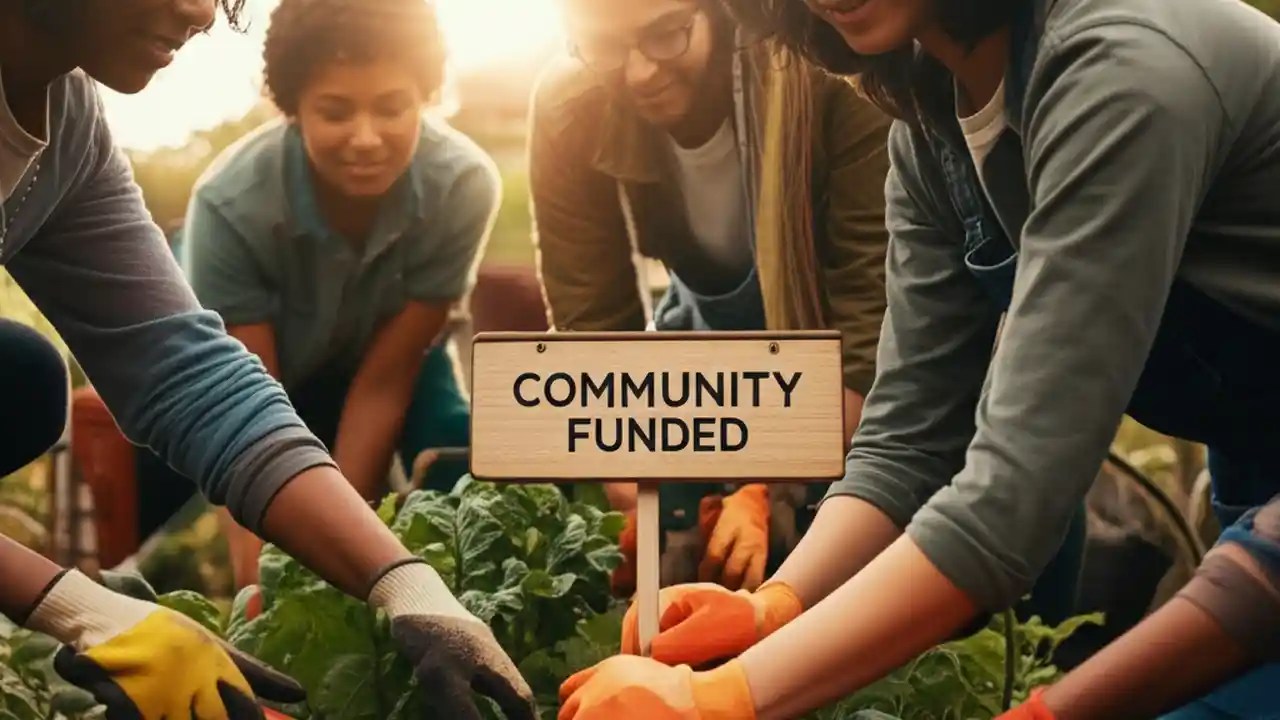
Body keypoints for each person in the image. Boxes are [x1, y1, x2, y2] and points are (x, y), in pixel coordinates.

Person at [557, 0, 1280, 717]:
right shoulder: (932, 125)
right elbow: (907, 437)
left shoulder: (1123, 72)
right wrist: (772, 607)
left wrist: (723, 697)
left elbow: (1011, 498)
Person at [0, 1, 534, 718]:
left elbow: (190, 376)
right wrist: (75, 608)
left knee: (20, 381)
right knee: (24, 378)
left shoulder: (70, 128)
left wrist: (408, 586)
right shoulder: (237, 196)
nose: (197, 10)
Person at [528, 0, 893, 596]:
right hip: (707, 356)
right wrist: (634, 493)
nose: (640, 71)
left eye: (667, 35)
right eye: (604, 44)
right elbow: (592, 330)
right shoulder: (571, 105)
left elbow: (867, 331)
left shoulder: (830, 73)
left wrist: (763, 486)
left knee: (847, 571)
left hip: (846, 370)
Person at [138, 0, 496, 591]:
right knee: (209, 532)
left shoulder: (463, 185)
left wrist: (349, 558)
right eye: (335, 112)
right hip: (250, 377)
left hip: (386, 357)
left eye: (391, 108)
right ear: (293, 109)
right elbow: (240, 411)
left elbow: (387, 378)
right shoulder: (230, 204)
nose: (366, 138)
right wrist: (265, 584)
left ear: (425, 97)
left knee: (458, 456)